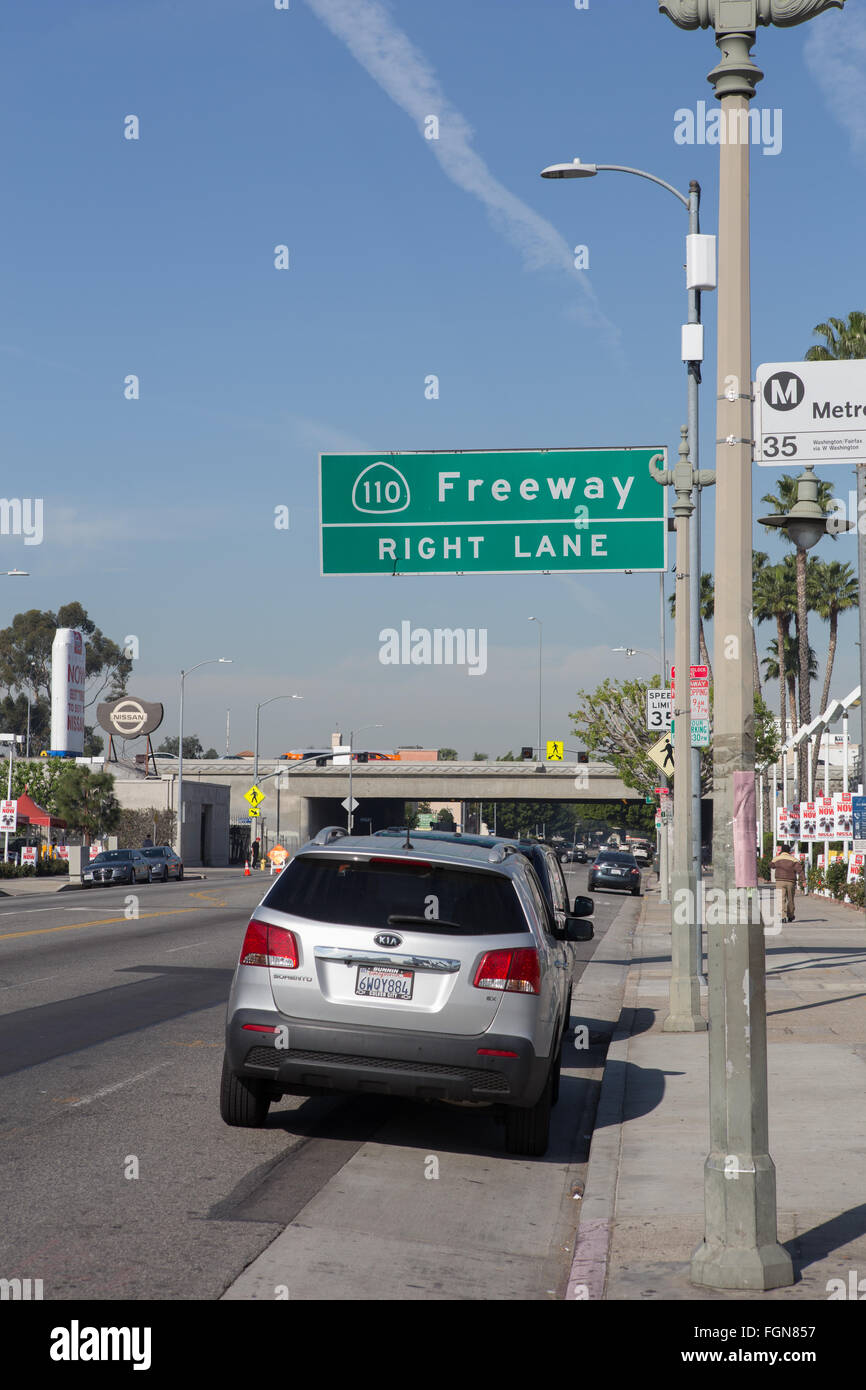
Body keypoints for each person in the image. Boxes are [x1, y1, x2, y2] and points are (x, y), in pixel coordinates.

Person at [770, 843, 805, 923]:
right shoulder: (794, 859)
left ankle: (782, 917)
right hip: (791, 882)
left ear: (781, 850)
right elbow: (800, 870)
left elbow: (771, 865)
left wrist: (777, 860)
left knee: (780, 899)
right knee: (790, 899)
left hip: (779, 881)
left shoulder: (777, 858)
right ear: (789, 851)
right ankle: (790, 915)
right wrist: (803, 880)